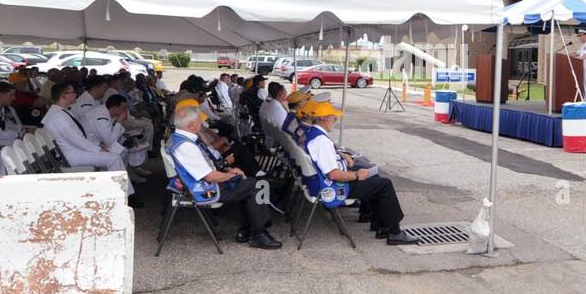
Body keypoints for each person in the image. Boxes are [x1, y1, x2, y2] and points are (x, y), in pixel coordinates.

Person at [301, 98, 415, 244]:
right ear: (324, 119)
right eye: (333, 117)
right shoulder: (322, 141)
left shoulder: (313, 133)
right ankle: (394, 232)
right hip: (333, 188)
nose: (335, 120)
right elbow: (334, 174)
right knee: (384, 184)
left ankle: (381, 225)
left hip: (322, 182)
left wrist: (342, 156)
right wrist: (356, 175)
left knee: (374, 180)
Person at [168, 102, 281, 249]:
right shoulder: (187, 146)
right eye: (199, 122)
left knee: (248, 183)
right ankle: (259, 232)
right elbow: (210, 177)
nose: (202, 124)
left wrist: (229, 171)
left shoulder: (179, 138)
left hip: (199, 183)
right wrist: (231, 174)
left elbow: (206, 169)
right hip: (204, 189)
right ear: (191, 125)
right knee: (257, 185)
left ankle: (248, 229)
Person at [42, 81, 138, 202]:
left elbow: (78, 138)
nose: (76, 94)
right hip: (72, 154)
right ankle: (124, 196)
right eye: (73, 92)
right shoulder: (58, 116)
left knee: (114, 155)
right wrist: (97, 149)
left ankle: (118, 192)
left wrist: (98, 146)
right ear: (64, 95)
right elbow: (77, 140)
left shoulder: (61, 112)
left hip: (75, 150)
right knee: (114, 158)